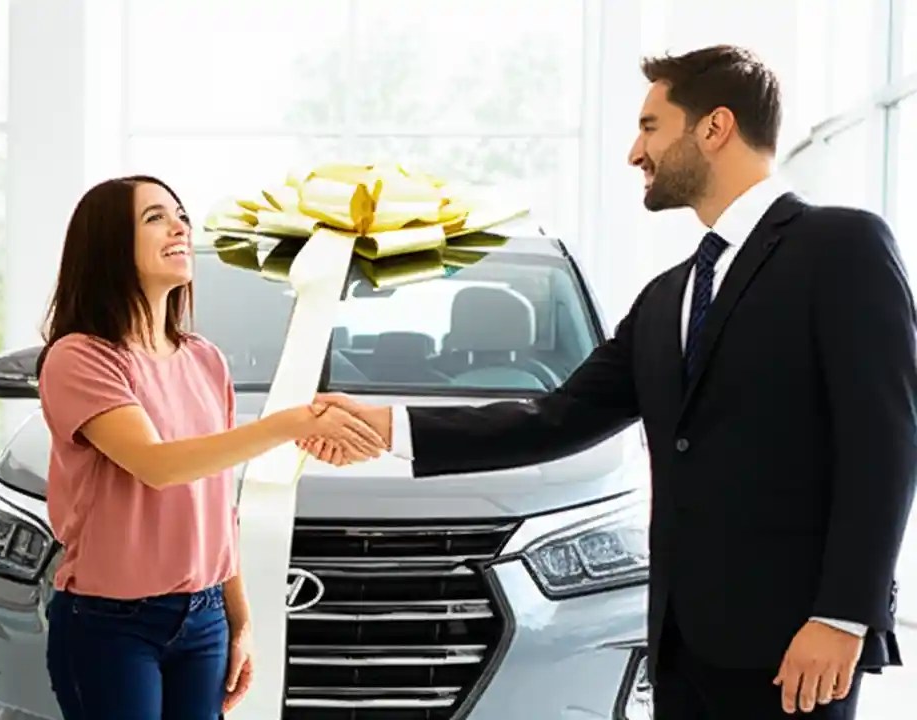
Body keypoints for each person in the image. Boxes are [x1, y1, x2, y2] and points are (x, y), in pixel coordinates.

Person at [304, 45, 916, 719]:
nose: (634, 152)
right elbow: (556, 418)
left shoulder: (841, 246)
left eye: (651, 126)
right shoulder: (667, 297)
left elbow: (884, 442)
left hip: (795, 645)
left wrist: (844, 616)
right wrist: (387, 427)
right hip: (682, 649)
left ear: (714, 128)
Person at [36, 175, 384, 718]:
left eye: (180, 215)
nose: (179, 226)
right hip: (110, 626)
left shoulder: (204, 360)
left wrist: (239, 620)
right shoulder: (80, 358)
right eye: (155, 217)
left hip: (203, 622)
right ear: (107, 243)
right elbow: (157, 465)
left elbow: (218, 504)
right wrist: (290, 423)